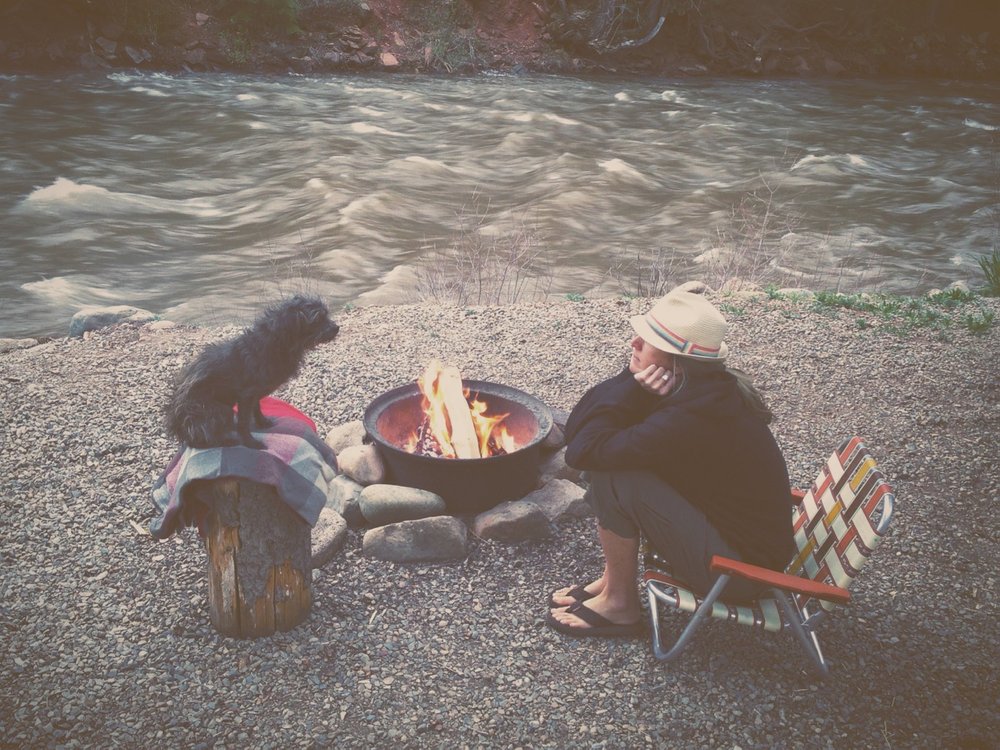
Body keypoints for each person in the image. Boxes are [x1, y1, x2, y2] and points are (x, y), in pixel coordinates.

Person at [547, 289, 795, 637]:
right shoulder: (702, 390)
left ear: (674, 364)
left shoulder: (691, 418)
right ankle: (611, 581)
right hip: (733, 544)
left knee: (617, 473)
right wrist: (632, 382)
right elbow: (579, 427)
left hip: (737, 575)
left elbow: (581, 451)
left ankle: (620, 605)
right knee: (612, 461)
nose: (633, 342)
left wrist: (632, 389)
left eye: (645, 341)